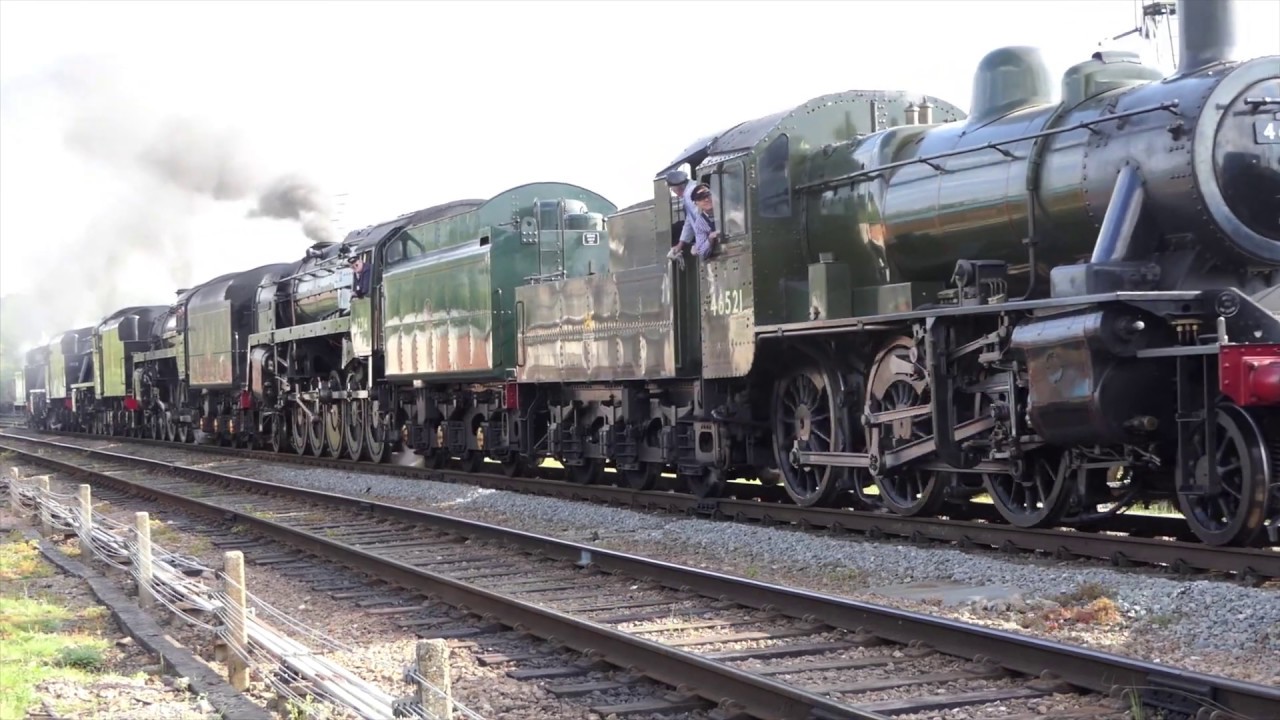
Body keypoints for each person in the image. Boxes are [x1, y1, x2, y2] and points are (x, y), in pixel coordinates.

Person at [664, 169, 700, 263]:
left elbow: (701, 218)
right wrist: (680, 245)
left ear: (678, 189)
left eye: (674, 191)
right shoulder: (691, 190)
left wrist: (701, 242)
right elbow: (689, 221)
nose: (676, 195)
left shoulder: (690, 193)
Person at [688, 184, 719, 259]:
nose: (707, 200)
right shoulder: (700, 223)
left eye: (708, 195)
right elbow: (702, 252)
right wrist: (710, 238)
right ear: (696, 203)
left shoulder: (727, 209)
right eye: (701, 198)